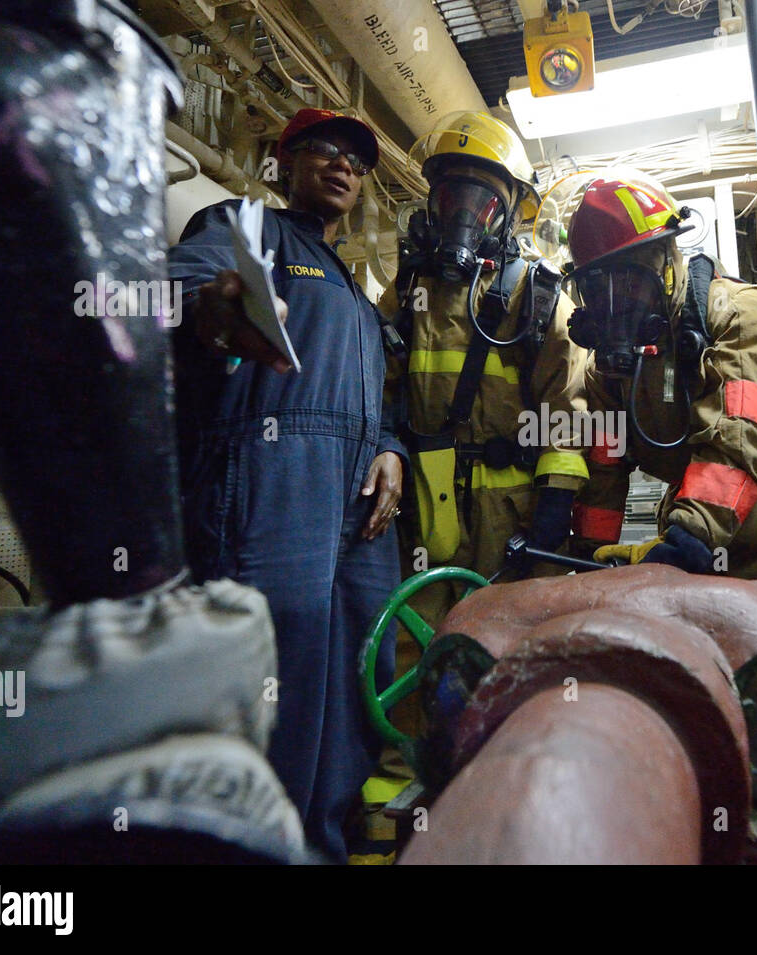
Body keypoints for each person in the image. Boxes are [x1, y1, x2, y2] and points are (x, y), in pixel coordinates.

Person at [167, 107, 404, 860]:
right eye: (324, 151)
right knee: (277, 670)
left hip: (359, 492)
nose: (343, 167)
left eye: (357, 162)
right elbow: (189, 290)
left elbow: (367, 393)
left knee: (360, 672)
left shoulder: (355, 288)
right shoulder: (246, 227)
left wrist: (391, 447)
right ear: (286, 161)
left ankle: (319, 845)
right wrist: (213, 308)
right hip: (275, 473)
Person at [378, 111, 587, 614]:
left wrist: (552, 516)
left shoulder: (538, 296)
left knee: (509, 648)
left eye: (484, 202)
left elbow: (568, 419)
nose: (466, 217)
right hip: (421, 508)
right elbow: (377, 389)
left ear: (510, 214)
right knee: (418, 644)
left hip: (512, 520)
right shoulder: (407, 293)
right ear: (432, 205)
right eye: (454, 198)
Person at [564, 175, 757, 579]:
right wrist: (590, 555)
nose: (619, 303)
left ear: (670, 258)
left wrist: (688, 538)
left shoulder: (736, 313)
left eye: (633, 280)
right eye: (601, 288)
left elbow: (740, 438)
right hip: (687, 516)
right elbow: (606, 463)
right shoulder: (606, 368)